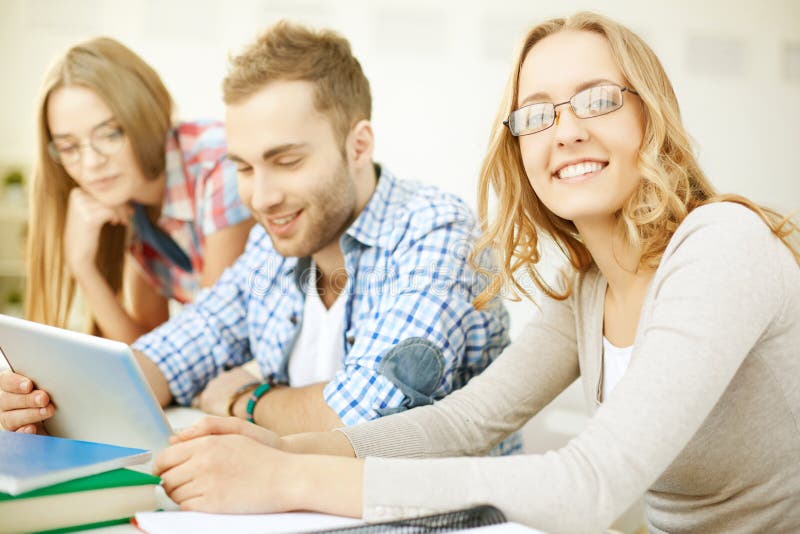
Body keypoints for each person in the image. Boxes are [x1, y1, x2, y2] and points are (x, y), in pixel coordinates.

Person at [149, 11, 798, 533]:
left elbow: (589, 487)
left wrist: (285, 480)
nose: (565, 131)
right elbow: (463, 423)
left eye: (597, 100)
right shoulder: (590, 287)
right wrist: (280, 451)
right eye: (538, 113)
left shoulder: (721, 245)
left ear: (650, 116)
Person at [0, 23, 517, 451]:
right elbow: (174, 351)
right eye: (243, 167)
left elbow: (364, 417)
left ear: (358, 146)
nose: (261, 197)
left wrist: (246, 399)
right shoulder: (271, 248)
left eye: (286, 160)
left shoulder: (437, 234)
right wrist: (46, 400)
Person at [26, 37, 254, 343]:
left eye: (109, 134)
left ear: (144, 114)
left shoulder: (217, 164)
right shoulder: (128, 207)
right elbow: (144, 352)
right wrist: (82, 267)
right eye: (68, 147)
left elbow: (213, 342)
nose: (91, 163)